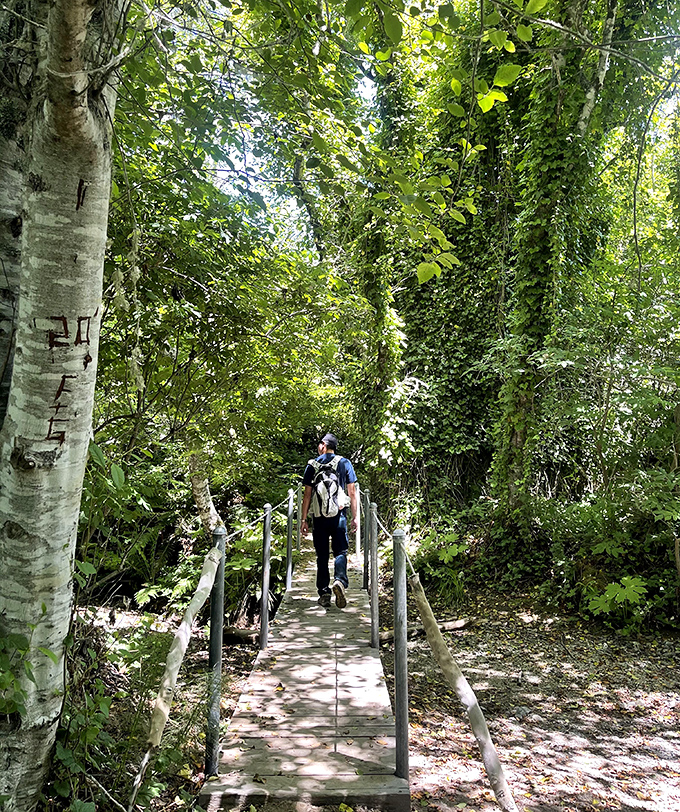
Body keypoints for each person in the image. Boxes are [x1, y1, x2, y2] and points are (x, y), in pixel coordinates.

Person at [301, 433, 358, 608]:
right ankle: (340, 581)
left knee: (322, 556)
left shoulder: (312, 465)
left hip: (319, 518)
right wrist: (355, 517)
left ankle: (324, 592)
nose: (318, 447)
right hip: (339, 516)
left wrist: (304, 520)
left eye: (320, 444)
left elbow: (307, 495)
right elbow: (352, 492)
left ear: (324, 445)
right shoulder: (344, 463)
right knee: (340, 551)